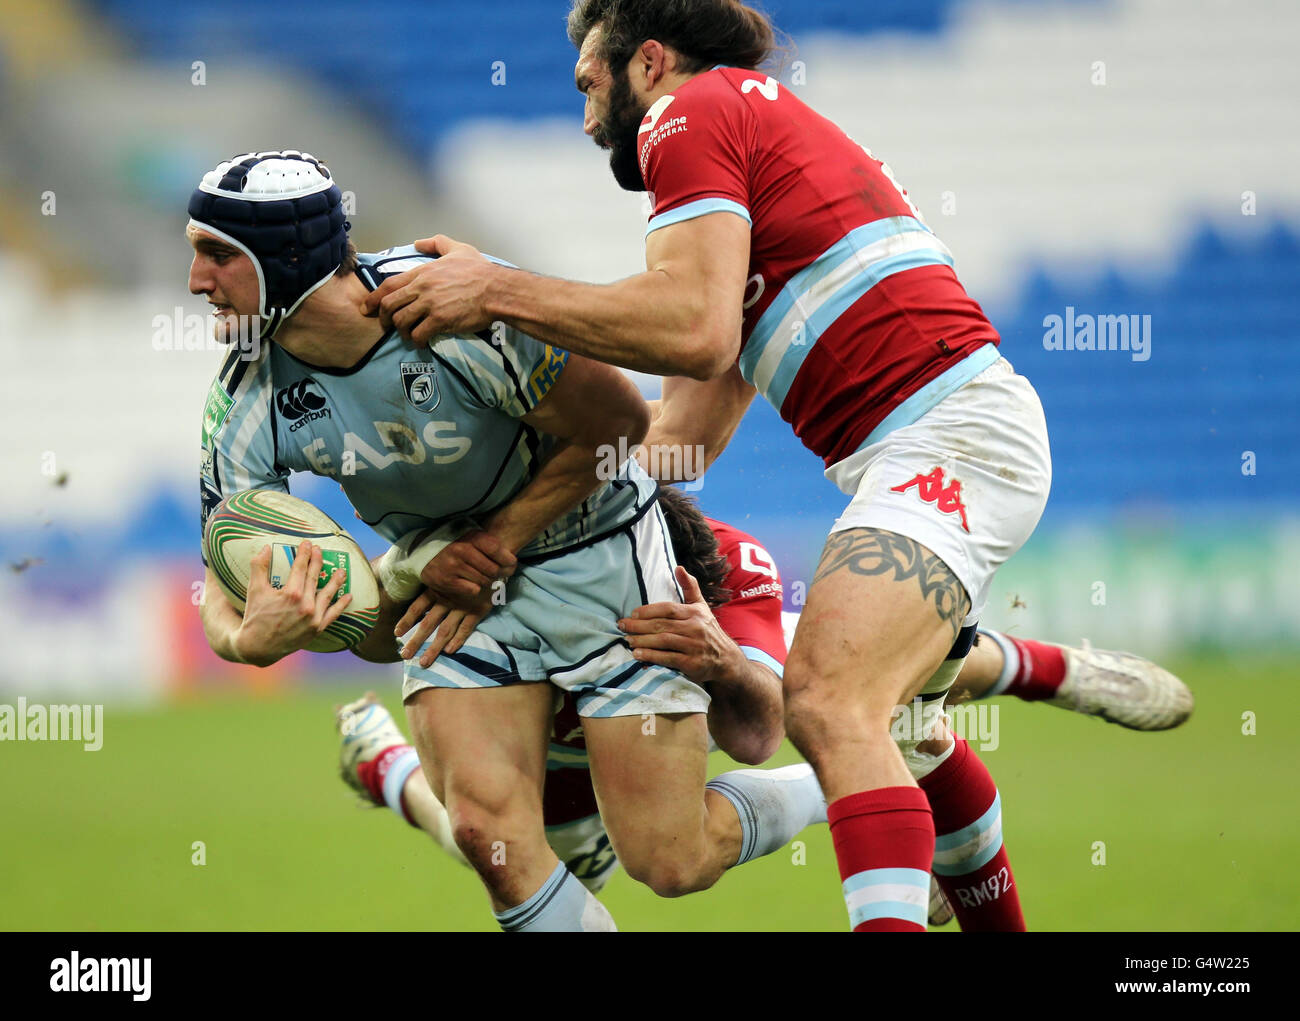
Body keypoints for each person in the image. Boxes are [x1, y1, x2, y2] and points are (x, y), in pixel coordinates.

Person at [362, 0, 1054, 930]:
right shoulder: (752, 146)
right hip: (942, 440)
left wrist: (495, 289)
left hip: (949, 438)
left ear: (647, 61)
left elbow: (690, 328)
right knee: (894, 725)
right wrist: (518, 512)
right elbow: (681, 437)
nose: (585, 117)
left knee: (827, 700)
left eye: (590, 83)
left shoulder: (686, 116)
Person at [190, 149, 827, 932]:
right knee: (487, 836)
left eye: (217, 254)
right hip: (456, 599)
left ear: (285, 256)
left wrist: (498, 540)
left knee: (670, 859)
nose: (195, 280)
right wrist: (247, 641)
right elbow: (220, 573)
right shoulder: (245, 401)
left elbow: (620, 426)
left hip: (600, 558)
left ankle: (840, 786)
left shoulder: (450, 306)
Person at [337, 487, 1191, 929]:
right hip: (552, 754)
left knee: (853, 685)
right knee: (492, 843)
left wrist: (713, 658)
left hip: (691, 713)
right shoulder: (514, 589)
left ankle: (1050, 668)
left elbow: (763, 727)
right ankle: (385, 767)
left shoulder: (722, 565)